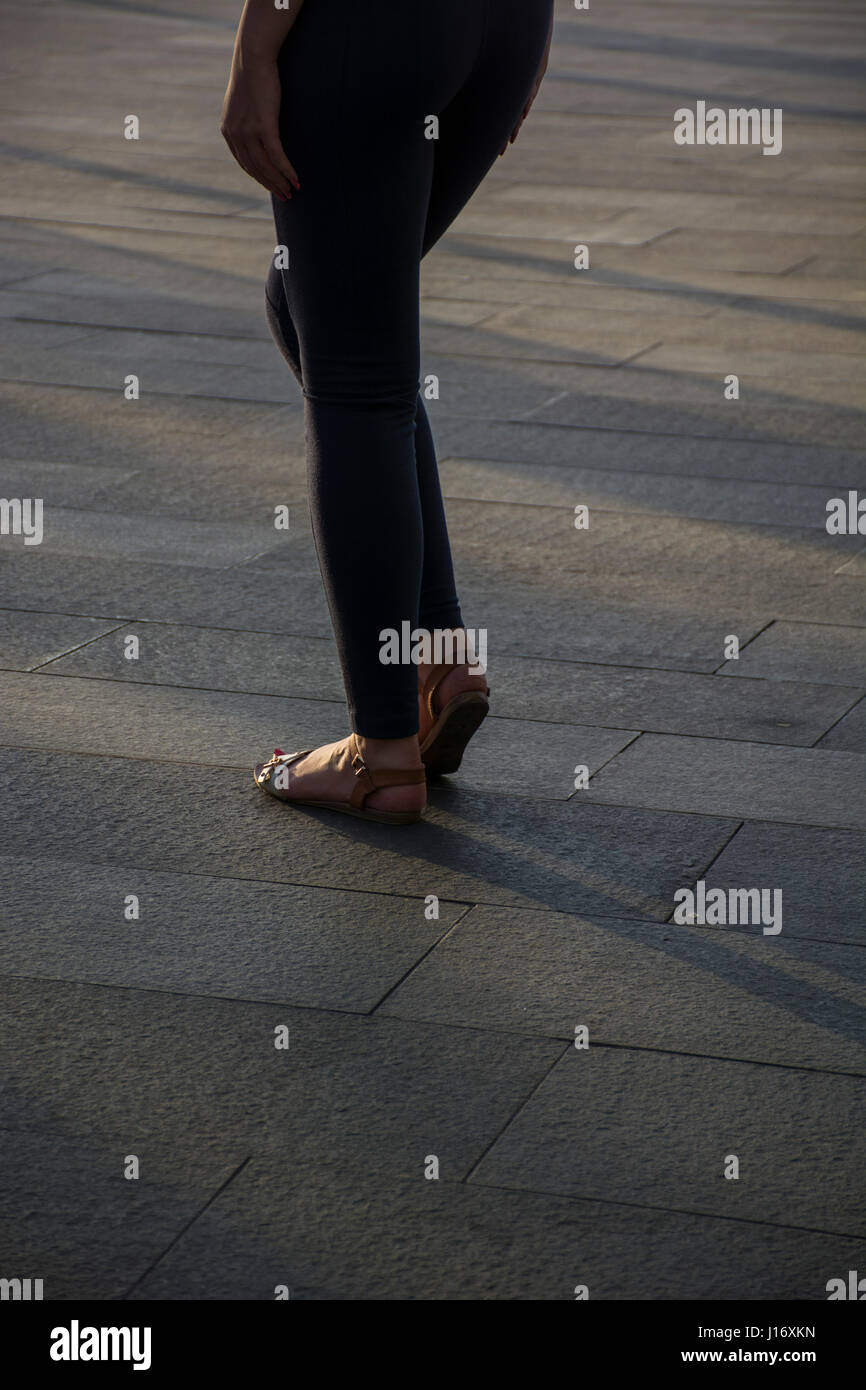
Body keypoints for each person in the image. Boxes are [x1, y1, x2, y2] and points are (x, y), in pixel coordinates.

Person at [221, 0, 554, 824]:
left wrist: (254, 48)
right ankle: (437, 663)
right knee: (312, 308)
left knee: (356, 377)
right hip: (502, 25)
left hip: (370, 27)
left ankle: (381, 752)